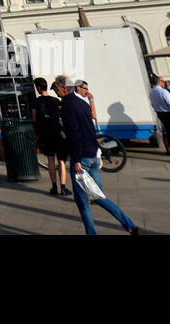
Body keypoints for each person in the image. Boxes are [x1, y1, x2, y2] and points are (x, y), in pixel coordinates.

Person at [57, 76, 140, 235]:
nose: (56, 91)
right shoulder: (83, 103)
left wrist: (76, 159)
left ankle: (94, 232)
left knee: (83, 201)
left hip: (82, 158)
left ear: (64, 88)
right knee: (97, 196)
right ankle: (129, 225)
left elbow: (73, 133)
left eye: (56, 88)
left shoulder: (67, 105)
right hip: (93, 154)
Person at [32, 78, 68, 196]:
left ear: (38, 88)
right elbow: (62, 115)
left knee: (51, 160)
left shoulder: (36, 102)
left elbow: (34, 119)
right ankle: (63, 187)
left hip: (46, 135)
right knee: (61, 160)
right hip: (57, 133)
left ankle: (54, 187)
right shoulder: (55, 100)